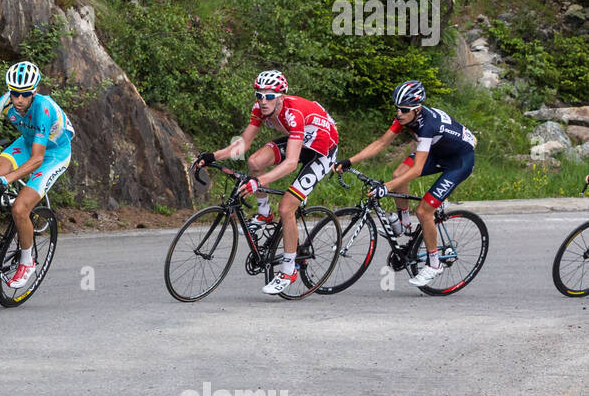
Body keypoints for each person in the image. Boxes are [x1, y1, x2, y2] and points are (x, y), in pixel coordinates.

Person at [192, 69, 340, 295]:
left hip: (322, 151)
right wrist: (212, 156)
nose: (263, 100)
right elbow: (242, 144)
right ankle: (264, 213)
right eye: (259, 95)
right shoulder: (259, 109)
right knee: (254, 162)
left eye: (269, 96)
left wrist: (258, 182)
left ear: (281, 97)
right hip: (300, 141)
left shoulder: (293, 114)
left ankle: (289, 269)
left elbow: (291, 163)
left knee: (287, 206)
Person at [337, 80, 477, 287]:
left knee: (423, 211)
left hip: (459, 161)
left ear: (417, 109)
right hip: (438, 152)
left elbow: (417, 170)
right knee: (398, 172)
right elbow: (381, 143)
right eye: (397, 109)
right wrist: (349, 161)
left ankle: (434, 263)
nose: (399, 114)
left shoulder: (428, 124)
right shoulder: (406, 117)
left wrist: (387, 187)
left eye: (404, 110)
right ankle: (404, 223)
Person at [0, 61, 73, 289]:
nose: (19, 99)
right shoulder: (5, 101)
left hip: (53, 154)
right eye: (15, 93)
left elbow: (38, 159)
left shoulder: (43, 110)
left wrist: (7, 180)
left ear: (35, 91)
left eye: (25, 94)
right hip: (27, 144)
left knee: (20, 208)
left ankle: (27, 261)